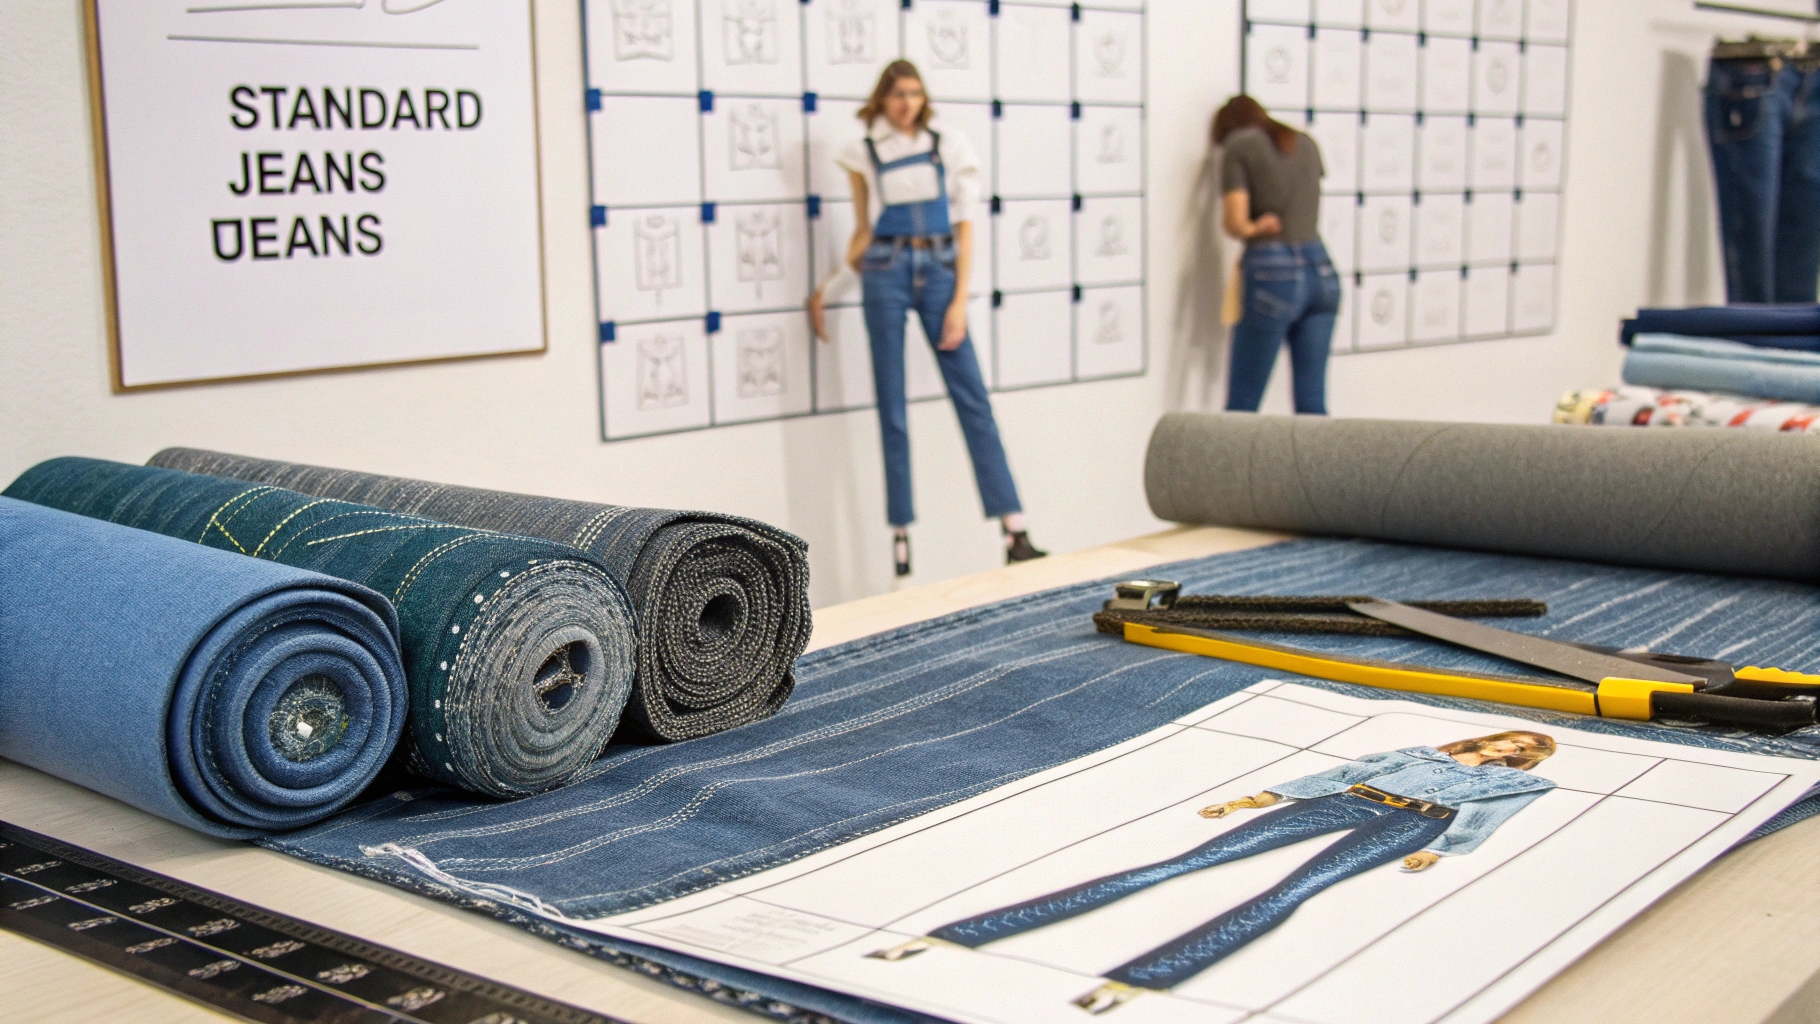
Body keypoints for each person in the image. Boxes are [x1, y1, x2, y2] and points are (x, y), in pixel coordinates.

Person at [868, 731, 1558, 1013]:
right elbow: (1343, 773)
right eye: (1514, 739)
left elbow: (1484, 822)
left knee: (1295, 890)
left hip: (1416, 823)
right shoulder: (1415, 747)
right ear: (1488, 737)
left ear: (1527, 760)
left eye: (1527, 748)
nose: (1515, 747)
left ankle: (1135, 984)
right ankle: (955, 936)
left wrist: (1442, 849)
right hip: (1352, 801)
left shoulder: (1523, 787)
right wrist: (1261, 795)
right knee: (1181, 864)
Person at [808, 60, 1044, 578]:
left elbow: (966, 228)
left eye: (914, 92)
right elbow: (864, 232)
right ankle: (901, 537)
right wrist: (828, 288)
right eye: (897, 94)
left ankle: (1015, 528)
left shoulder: (949, 145)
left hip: (939, 270)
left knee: (972, 398)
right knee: (891, 404)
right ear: (882, 99)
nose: (906, 102)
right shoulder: (863, 151)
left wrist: (960, 300)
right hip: (885, 271)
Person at [1214, 95, 1341, 415]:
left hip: (1273, 271)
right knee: (1312, 404)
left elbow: (1235, 222)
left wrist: (1255, 228)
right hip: (1322, 271)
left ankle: (1232, 468)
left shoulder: (1239, 145)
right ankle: (1320, 467)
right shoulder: (1306, 143)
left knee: (1242, 408)